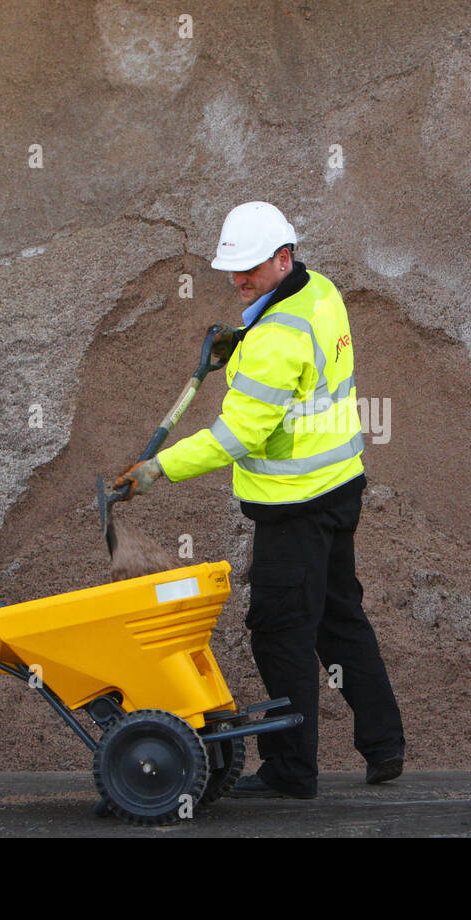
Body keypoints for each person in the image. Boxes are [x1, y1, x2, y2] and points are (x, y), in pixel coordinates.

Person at [114, 201, 405, 798]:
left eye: (250, 268)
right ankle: (385, 747)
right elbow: (294, 349)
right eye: (233, 270)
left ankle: (291, 772)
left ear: (283, 256)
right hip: (340, 487)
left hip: (294, 507)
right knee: (339, 618)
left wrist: (158, 468)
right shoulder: (320, 293)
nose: (239, 279)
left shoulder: (274, 341)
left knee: (279, 632)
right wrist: (241, 338)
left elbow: (236, 436)